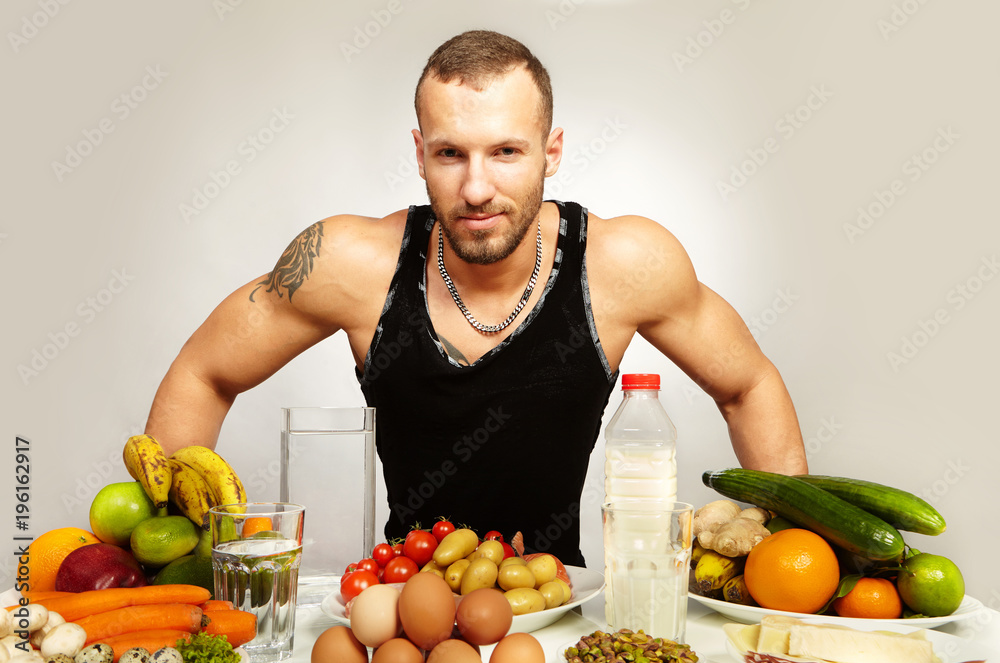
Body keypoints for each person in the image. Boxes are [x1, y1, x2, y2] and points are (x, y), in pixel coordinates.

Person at [145, 30, 807, 566]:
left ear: (552, 152)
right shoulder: (349, 262)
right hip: (398, 596)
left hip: (556, 604)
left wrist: (797, 556)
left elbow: (746, 383)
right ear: (419, 153)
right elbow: (206, 370)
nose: (477, 187)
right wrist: (163, 560)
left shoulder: (623, 262)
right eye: (451, 153)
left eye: (507, 152)